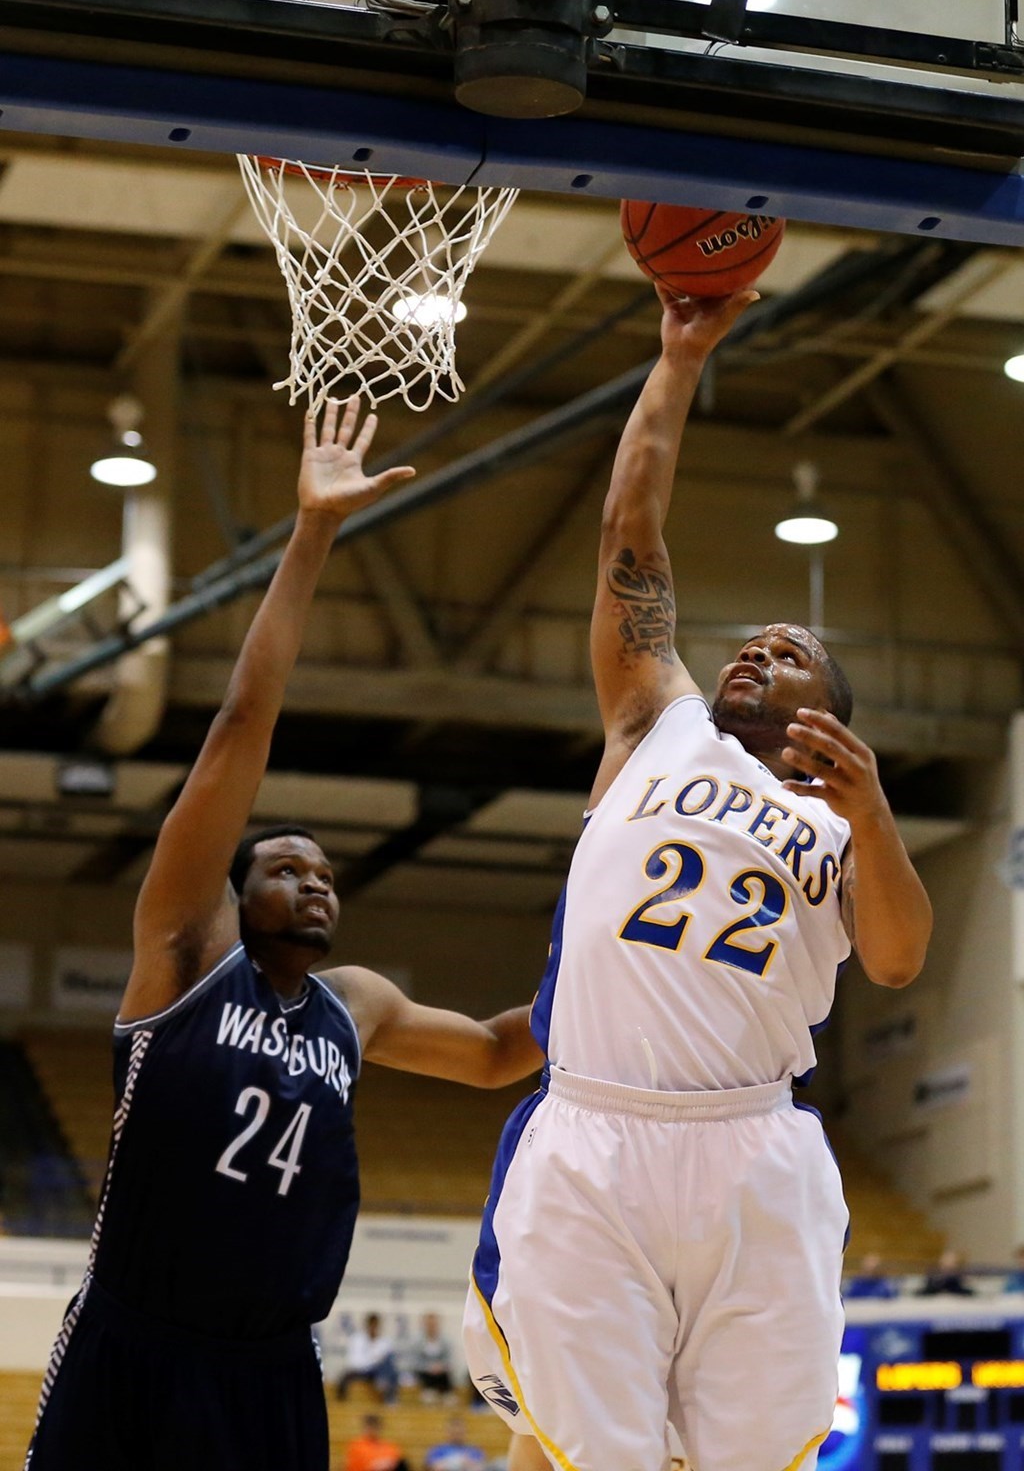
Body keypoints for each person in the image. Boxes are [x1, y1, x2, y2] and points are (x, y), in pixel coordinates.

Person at [463, 287, 933, 1471]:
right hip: (595, 1130)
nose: (755, 650)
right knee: (585, 1453)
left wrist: (873, 812)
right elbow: (630, 531)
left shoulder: (840, 828)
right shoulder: (655, 726)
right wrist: (678, 360)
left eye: (791, 650)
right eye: (748, 642)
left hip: (752, 1149)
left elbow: (897, 960)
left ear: (830, 714)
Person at [25, 399, 543, 1471]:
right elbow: (241, 725)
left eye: (326, 876)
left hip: (272, 1366)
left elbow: (501, 1053)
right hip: (134, 1339)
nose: (313, 884)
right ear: (234, 891)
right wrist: (312, 533)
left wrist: (627, 962)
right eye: (286, 868)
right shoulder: (186, 958)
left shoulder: (357, 1006)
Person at [337, 1313, 399, 1403]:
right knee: (344, 1378)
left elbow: (388, 1362)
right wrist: (373, 1360)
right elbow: (354, 1361)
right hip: (361, 1370)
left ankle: (388, 1395)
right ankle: (383, 1385)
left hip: (377, 1371)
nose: (373, 1328)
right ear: (367, 1326)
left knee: (389, 1365)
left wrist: (376, 1360)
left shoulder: (384, 1342)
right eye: (372, 1326)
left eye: (375, 1326)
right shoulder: (357, 1339)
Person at [411, 1311, 455, 1400]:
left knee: (445, 1376)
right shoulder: (417, 1342)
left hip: (442, 1374)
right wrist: (429, 1367)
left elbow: (449, 1360)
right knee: (426, 1375)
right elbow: (415, 1362)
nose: (431, 1327)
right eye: (429, 1325)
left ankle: (447, 1394)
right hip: (425, 1373)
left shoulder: (445, 1341)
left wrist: (441, 1366)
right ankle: (427, 1392)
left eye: (433, 1325)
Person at [344, 1414, 409, 1471]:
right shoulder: (356, 1446)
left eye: (375, 1426)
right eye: (370, 1426)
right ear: (365, 1427)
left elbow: (399, 1464)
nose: (373, 1430)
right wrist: (374, 1466)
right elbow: (352, 1467)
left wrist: (389, 1464)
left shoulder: (389, 1446)